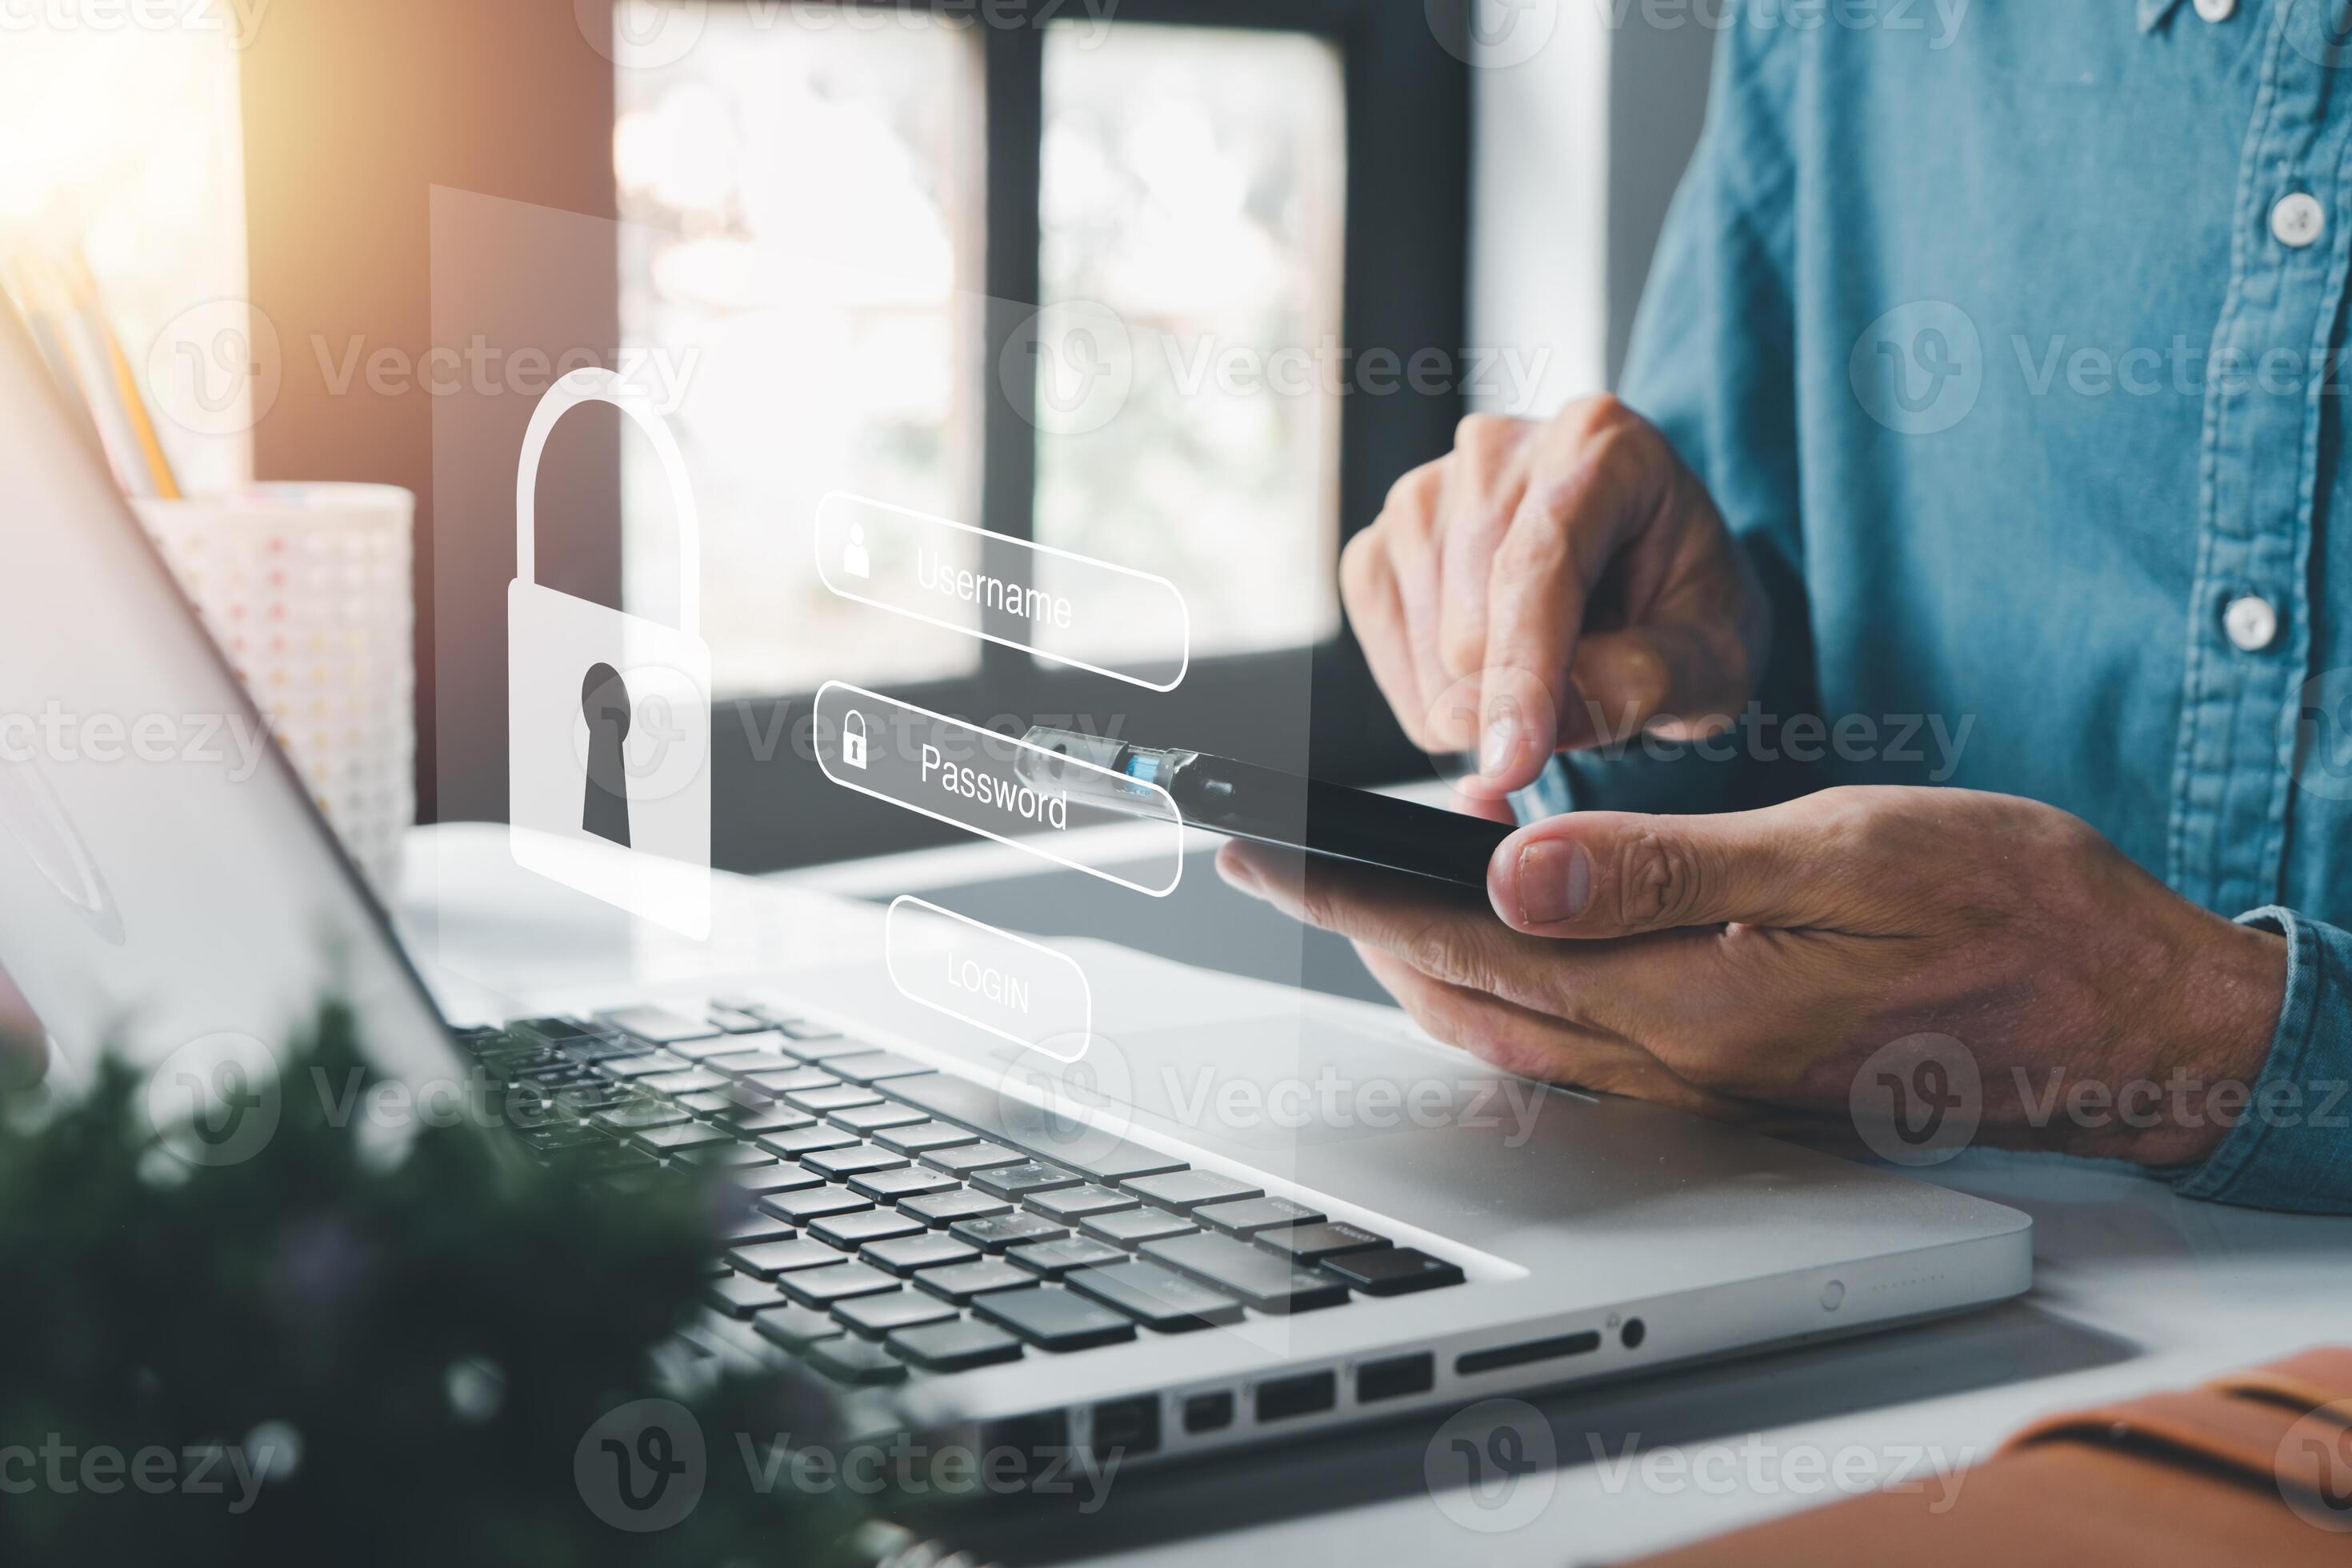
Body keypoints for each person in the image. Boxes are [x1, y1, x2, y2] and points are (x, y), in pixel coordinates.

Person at [1218, 1, 2352, 1212]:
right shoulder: (1834, 27)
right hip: (1899, 1263)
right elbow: (1740, 710)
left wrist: (2184, 1034)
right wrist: (1637, 689)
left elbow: (2159, 1028)